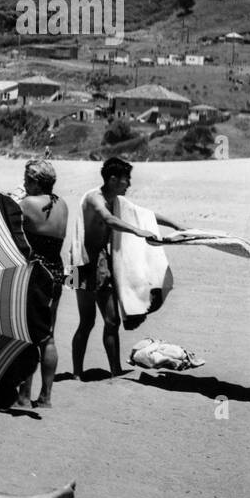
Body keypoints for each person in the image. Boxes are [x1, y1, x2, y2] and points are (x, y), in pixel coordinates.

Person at [71, 157, 182, 380]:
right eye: (126, 179)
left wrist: (177, 226)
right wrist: (135, 231)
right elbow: (108, 219)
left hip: (103, 264)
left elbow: (147, 214)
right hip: (80, 264)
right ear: (113, 179)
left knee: (112, 321)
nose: (128, 184)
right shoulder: (95, 198)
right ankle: (76, 373)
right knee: (87, 321)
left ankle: (115, 370)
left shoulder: (118, 200)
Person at [14, 159, 69, 408]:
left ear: (36, 182)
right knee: (48, 336)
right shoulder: (63, 205)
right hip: (57, 272)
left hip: (35, 273)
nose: (24, 183)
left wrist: (17, 196)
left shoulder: (26, 204)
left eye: (27, 179)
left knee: (27, 335)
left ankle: (24, 396)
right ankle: (46, 396)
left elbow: (8, 218)